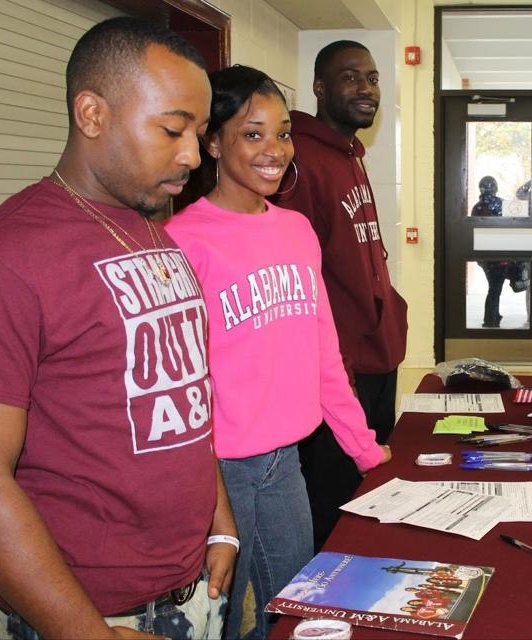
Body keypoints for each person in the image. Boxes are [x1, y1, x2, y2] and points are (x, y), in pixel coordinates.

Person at [0, 17, 237, 639]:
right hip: (85, 613)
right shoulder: (12, 256)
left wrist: (221, 521)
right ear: (92, 114)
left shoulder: (150, 225)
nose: (190, 154)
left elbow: (184, 399)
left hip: (188, 592)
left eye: (200, 133)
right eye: (172, 129)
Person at [166, 65, 392, 639]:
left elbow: (324, 354)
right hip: (216, 475)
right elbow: (177, 382)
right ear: (212, 141)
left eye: (284, 133)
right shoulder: (182, 242)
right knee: (213, 623)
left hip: (287, 463)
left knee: (296, 617)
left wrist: (365, 450)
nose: (275, 150)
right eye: (252, 133)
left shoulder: (295, 230)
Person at [274, 40, 407, 550]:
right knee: (332, 502)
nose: (366, 88)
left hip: (377, 354)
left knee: (371, 491)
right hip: (338, 368)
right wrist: (334, 363)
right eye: (350, 77)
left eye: (372, 78)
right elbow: (298, 275)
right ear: (319, 88)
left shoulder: (351, 156)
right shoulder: (301, 159)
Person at [470, 176, 513, 328]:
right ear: (494, 188)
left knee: (494, 286)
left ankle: (495, 314)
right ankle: (490, 319)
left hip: (485, 257)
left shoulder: (476, 207)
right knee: (495, 289)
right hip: (500, 256)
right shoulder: (502, 204)